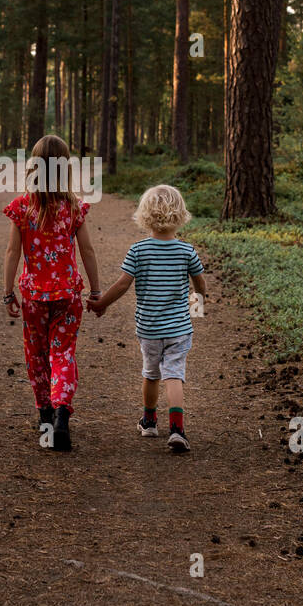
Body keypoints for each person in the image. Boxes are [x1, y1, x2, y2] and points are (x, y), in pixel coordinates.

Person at [88, 184, 206, 453]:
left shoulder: (138, 250)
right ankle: (177, 430)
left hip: (150, 328)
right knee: (174, 376)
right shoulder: (187, 251)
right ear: (180, 214)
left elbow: (121, 285)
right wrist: (197, 302)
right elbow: (200, 284)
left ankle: (150, 421)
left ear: (145, 216)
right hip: (179, 329)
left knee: (151, 375)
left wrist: (101, 304)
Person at [2, 134, 101, 451]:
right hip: (67, 296)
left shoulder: (22, 207)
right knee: (63, 353)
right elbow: (87, 249)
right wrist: (96, 289)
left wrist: (8, 293)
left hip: (33, 297)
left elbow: (11, 252)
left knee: (37, 355)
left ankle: (45, 415)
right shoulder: (73, 207)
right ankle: (61, 414)